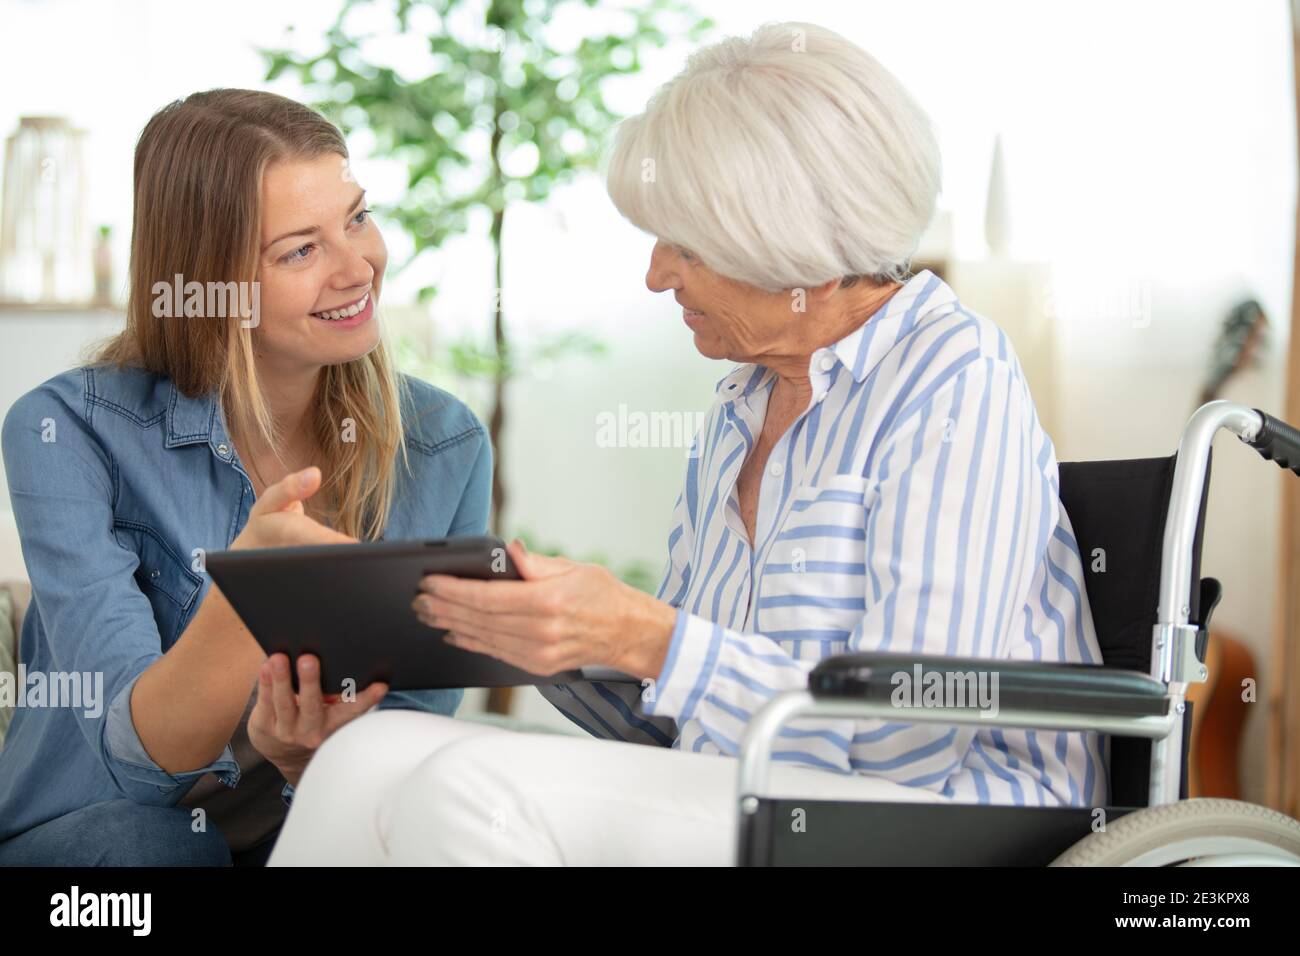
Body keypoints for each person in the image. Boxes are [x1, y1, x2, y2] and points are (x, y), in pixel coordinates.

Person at [269, 22, 1106, 867]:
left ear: (790, 245)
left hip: (953, 820)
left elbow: (912, 738)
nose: (657, 275)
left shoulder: (954, 376)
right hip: (754, 789)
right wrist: (536, 631)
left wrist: (648, 635)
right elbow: (679, 716)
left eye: (686, 245)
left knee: (471, 794)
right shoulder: (744, 402)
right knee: (367, 755)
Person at [0, 89, 491, 866]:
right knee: (151, 849)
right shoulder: (67, 430)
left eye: (357, 218)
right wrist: (249, 591)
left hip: (304, 839)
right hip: (93, 839)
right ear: (209, 281)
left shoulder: (444, 442)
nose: (358, 265)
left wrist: (308, 761)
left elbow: (410, 748)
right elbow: (139, 755)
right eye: (301, 250)